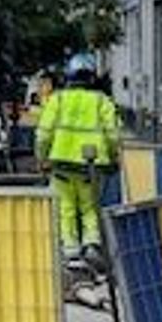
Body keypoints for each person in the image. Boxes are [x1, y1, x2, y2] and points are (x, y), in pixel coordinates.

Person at [36, 52, 121, 267]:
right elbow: (113, 134)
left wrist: (42, 157)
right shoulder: (102, 101)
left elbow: (44, 133)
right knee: (90, 206)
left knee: (66, 206)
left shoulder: (58, 99)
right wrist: (112, 158)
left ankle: (71, 251)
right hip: (91, 164)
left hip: (61, 162)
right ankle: (92, 244)